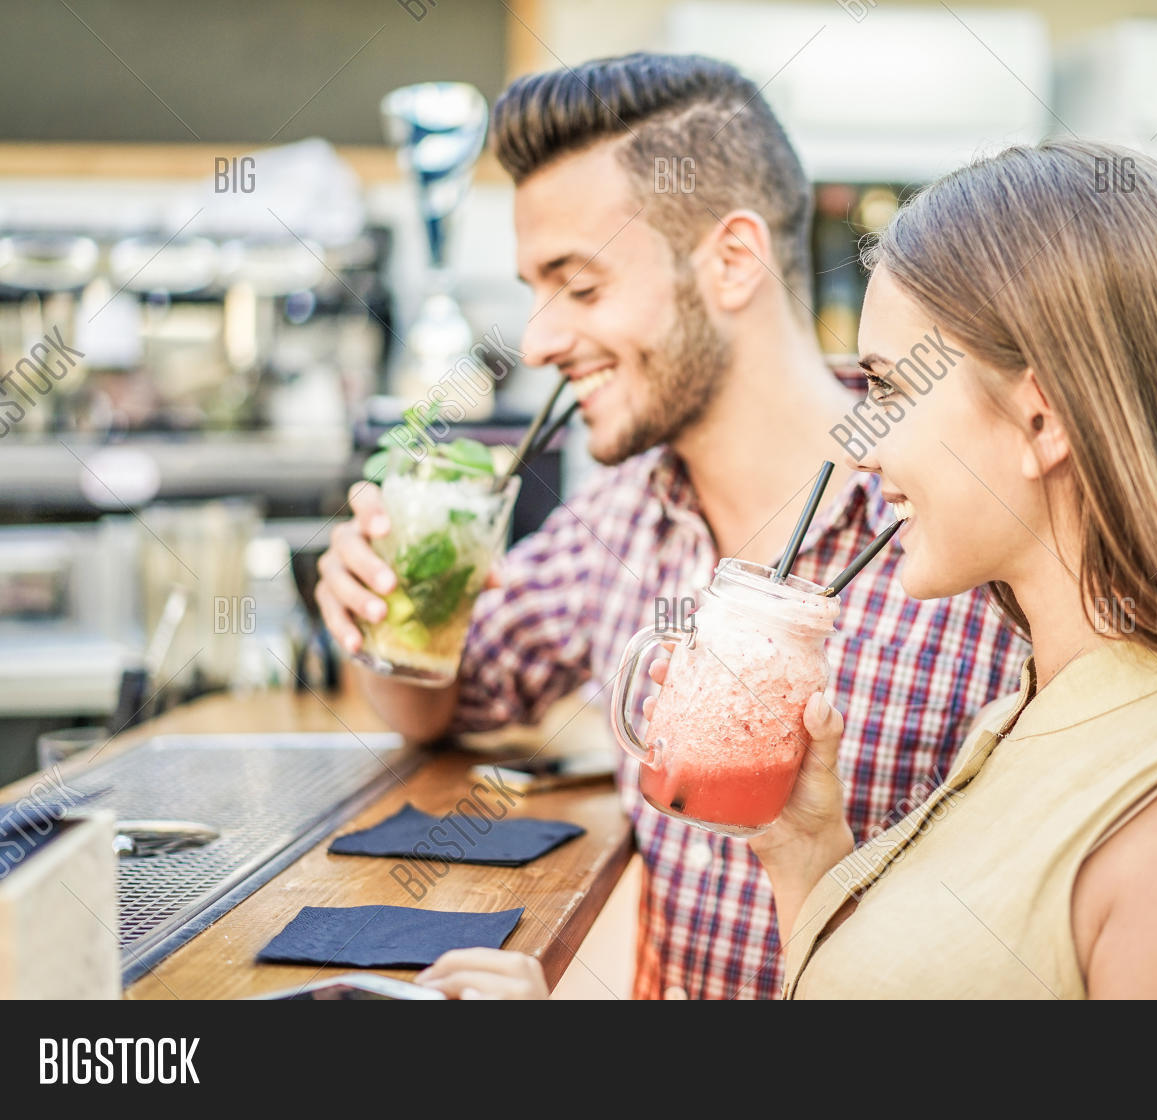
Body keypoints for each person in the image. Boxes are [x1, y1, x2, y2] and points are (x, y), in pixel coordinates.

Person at [415, 140, 1157, 1001]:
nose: (863, 446)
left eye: (885, 386)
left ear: (1043, 419)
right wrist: (806, 854)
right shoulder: (1035, 708)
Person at [315, 53, 1027, 1000]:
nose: (536, 341)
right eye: (535, 290)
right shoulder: (625, 512)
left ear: (730, 260)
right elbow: (453, 695)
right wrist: (386, 612)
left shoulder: (955, 510)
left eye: (580, 285)